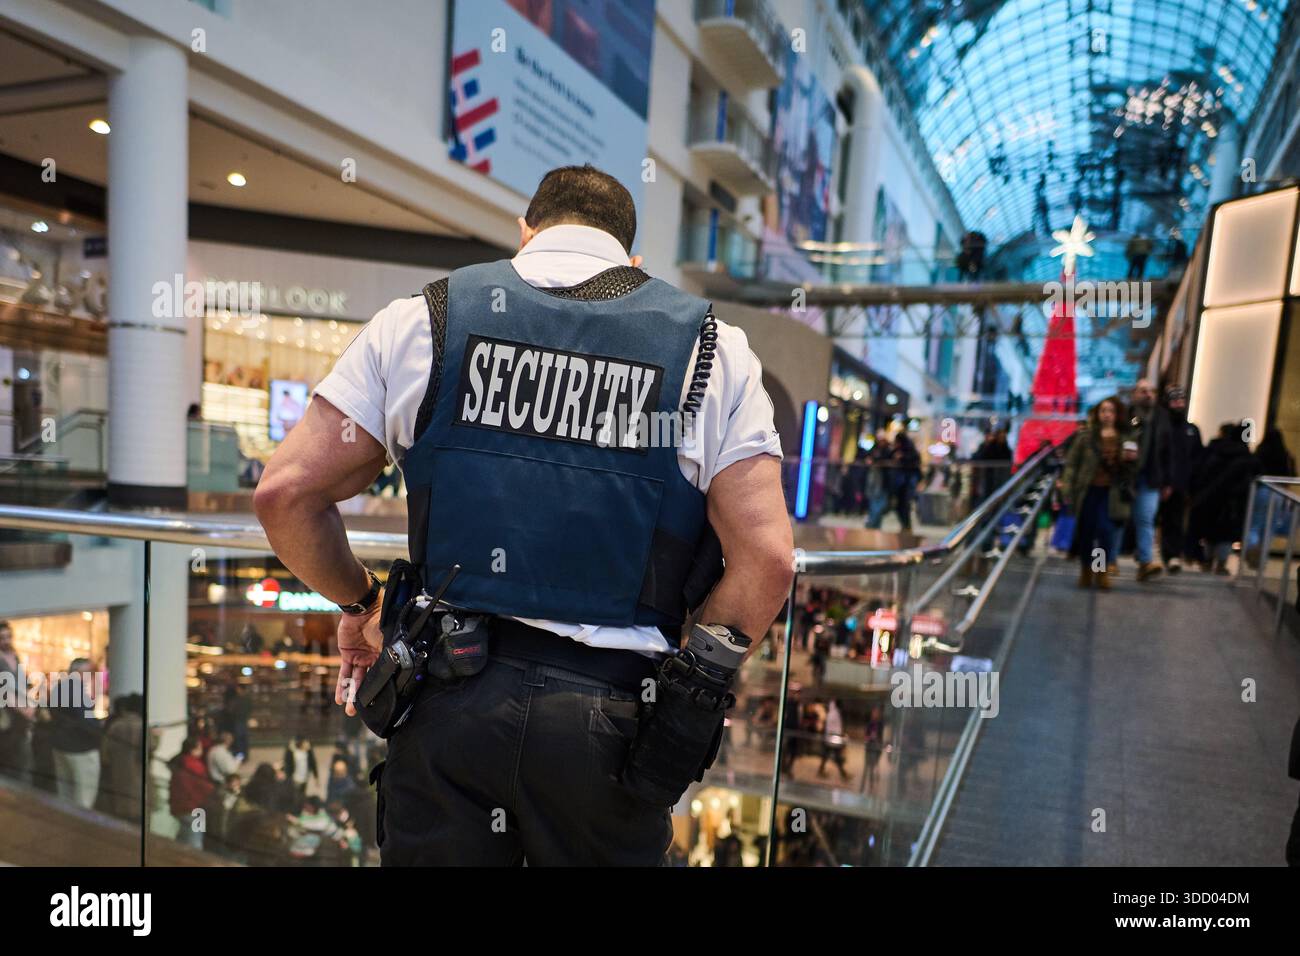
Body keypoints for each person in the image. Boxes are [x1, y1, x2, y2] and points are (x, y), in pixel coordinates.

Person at [253, 164, 794, 866]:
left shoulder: (425, 318)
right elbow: (769, 560)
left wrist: (360, 601)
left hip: (445, 705)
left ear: (526, 232)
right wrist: (695, 678)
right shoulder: (712, 351)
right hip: (614, 733)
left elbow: (285, 493)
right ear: (633, 262)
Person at [1060, 396, 1138, 589]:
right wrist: (1067, 487)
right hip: (1088, 490)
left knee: (1105, 531)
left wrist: (1130, 459)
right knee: (1087, 532)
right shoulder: (1086, 437)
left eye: (1111, 411)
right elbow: (1072, 463)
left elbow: (1133, 469)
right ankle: (1086, 569)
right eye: (1103, 410)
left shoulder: (1125, 438)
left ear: (1116, 414)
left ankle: (1100, 570)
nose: (1107, 415)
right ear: (1098, 413)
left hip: (1111, 493)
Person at [1117, 379, 1172, 581]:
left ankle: (1145, 563)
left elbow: (1168, 451)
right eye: (1143, 391)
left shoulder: (1162, 417)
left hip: (1151, 478)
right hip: (1125, 476)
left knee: (1146, 518)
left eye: (1151, 391)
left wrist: (1168, 481)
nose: (1148, 394)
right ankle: (1106, 562)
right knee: (1117, 518)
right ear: (1135, 394)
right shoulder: (1125, 416)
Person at [1190, 422, 1260, 574]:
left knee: (1210, 532)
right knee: (1226, 535)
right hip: (1232, 502)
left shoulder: (1214, 450)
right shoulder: (1245, 455)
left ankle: (1207, 561)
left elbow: (1203, 472)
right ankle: (1221, 564)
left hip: (1211, 498)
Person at [48, 658, 103, 809]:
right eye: (90, 673)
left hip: (60, 747)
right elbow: (86, 721)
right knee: (83, 799)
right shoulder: (77, 691)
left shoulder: (58, 688)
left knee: (65, 795)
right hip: (81, 750)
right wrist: (101, 728)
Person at [1158, 386, 1202, 573]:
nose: (1178, 403)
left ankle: (1172, 555)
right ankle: (1142, 551)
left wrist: (1192, 485)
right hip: (1158, 483)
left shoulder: (1191, 430)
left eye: (1181, 400)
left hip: (1181, 485)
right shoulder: (1160, 427)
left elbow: (1197, 458)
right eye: (1174, 400)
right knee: (1149, 517)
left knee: (1174, 520)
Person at [98, 693, 143, 822]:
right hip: (137, 778)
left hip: (116, 775)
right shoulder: (141, 726)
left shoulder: (115, 725)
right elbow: (150, 746)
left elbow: (105, 752)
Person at [0, 621, 34, 781]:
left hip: (20, 716)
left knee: (22, 762)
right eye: (2, 638)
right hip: (7, 717)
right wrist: (24, 710)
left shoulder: (15, 656)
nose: (6, 641)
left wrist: (28, 704)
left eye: (8, 636)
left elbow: (22, 684)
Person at [169, 736, 215, 850]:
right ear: (192, 749)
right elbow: (204, 787)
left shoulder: (179, 763)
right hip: (196, 809)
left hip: (178, 807)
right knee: (195, 842)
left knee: (183, 838)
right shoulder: (194, 765)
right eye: (199, 747)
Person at [818, 698, 849, 782]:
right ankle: (843, 774)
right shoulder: (834, 714)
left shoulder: (834, 713)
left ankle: (821, 770)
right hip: (833, 739)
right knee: (836, 757)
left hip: (832, 739)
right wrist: (840, 734)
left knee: (827, 756)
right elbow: (833, 727)